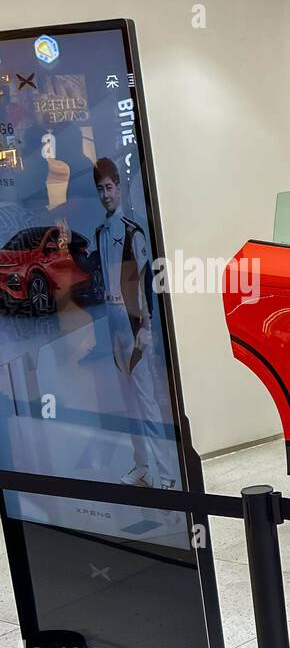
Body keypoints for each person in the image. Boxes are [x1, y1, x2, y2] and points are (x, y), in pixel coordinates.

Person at [68, 157, 174, 488]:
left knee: (145, 400)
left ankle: (169, 474)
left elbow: (144, 282)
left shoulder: (133, 231)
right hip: (114, 323)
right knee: (129, 402)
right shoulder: (101, 232)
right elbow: (92, 266)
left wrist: (146, 326)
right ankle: (141, 466)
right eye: (100, 189)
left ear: (119, 188)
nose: (105, 195)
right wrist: (68, 242)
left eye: (109, 188)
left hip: (133, 322)